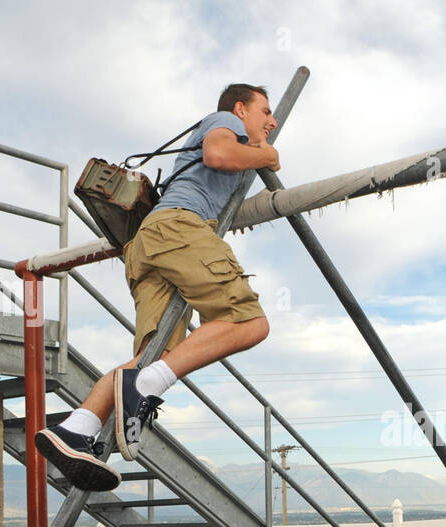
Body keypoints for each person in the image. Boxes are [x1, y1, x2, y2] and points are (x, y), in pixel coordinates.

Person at [36, 83, 282, 491]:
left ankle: (76, 428)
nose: (272, 121)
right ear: (240, 109)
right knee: (248, 323)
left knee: (159, 357)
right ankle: (148, 386)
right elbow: (218, 154)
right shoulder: (223, 122)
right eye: (265, 112)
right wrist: (267, 154)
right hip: (177, 229)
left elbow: (215, 173)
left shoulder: (228, 147)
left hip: (150, 243)